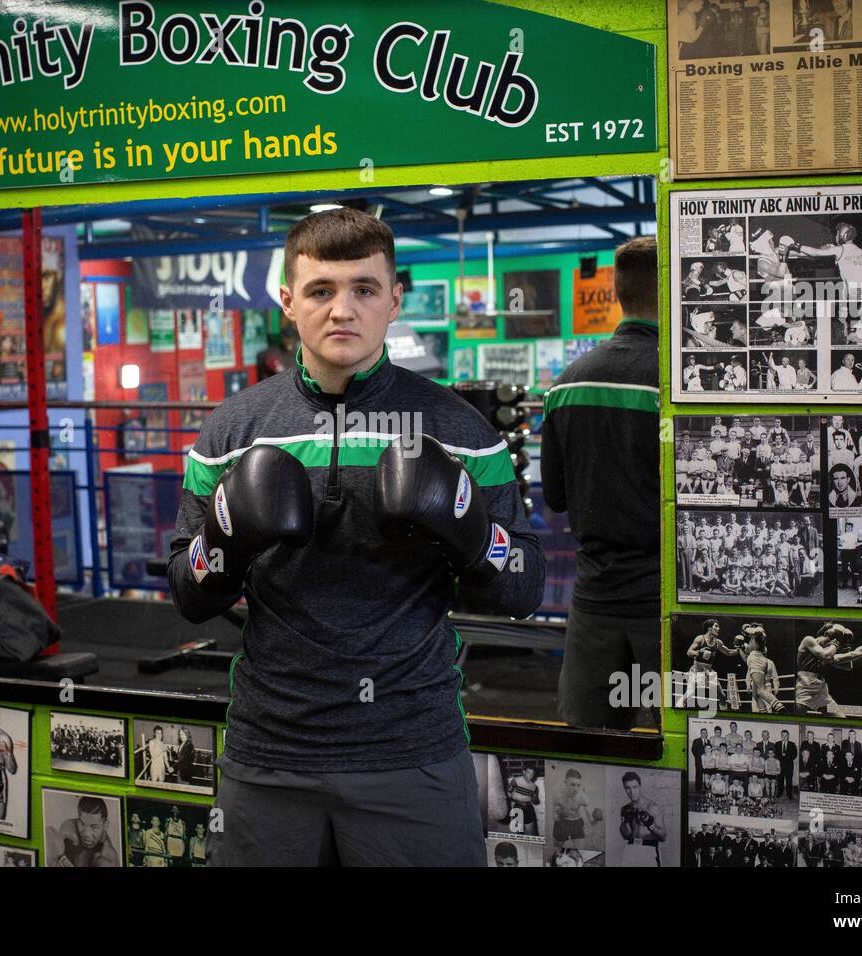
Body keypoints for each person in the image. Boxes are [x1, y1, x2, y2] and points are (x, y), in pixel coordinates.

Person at [169, 208, 545, 867]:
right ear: (288, 301)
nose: (342, 310)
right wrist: (224, 542)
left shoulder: (460, 429)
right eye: (320, 291)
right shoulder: (233, 430)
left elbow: (523, 585)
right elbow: (189, 591)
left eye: (364, 290)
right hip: (269, 756)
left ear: (395, 300)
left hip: (412, 751)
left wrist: (469, 528)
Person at [542, 237, 659, 731]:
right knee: (682, 744)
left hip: (595, 603)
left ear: (616, 292)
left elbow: (556, 496)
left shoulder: (567, 384)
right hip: (667, 607)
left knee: (589, 752)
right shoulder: (680, 386)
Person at [49, 796, 119, 867]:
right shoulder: (70, 827)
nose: (86, 834)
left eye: (94, 827)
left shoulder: (106, 860)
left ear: (106, 825)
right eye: (82, 823)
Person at [618, 771, 667, 867]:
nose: (632, 792)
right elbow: (626, 836)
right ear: (624, 788)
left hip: (648, 849)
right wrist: (625, 821)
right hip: (630, 849)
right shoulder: (625, 809)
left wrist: (650, 824)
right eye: (628, 788)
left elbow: (663, 836)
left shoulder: (652, 807)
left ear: (640, 786)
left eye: (635, 787)